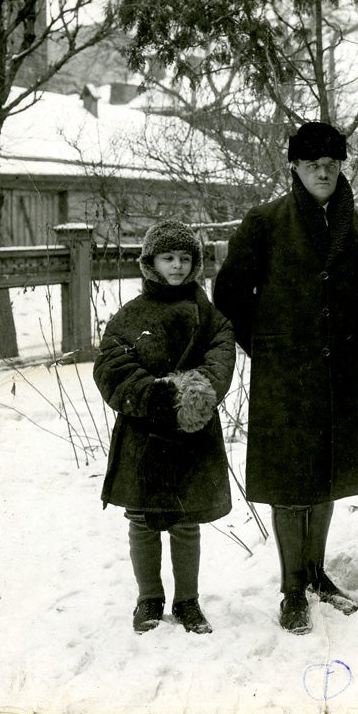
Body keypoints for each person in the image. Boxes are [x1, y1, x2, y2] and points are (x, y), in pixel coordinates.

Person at [213, 121, 358, 635]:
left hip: (345, 374)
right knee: (290, 481)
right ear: (295, 169)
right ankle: (290, 589)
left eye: (332, 165)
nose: (323, 173)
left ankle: (316, 575)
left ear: (341, 166)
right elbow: (230, 297)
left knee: (327, 476)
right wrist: (268, 347)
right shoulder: (265, 222)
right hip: (286, 376)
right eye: (312, 166)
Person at [94, 219, 236, 635]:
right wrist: (157, 395)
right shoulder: (129, 317)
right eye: (168, 257)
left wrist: (197, 393)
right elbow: (112, 368)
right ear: (150, 262)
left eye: (184, 258)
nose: (176, 266)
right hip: (144, 435)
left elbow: (221, 356)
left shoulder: (209, 316)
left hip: (192, 433)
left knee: (185, 520)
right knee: (141, 519)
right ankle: (149, 598)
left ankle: (188, 601)